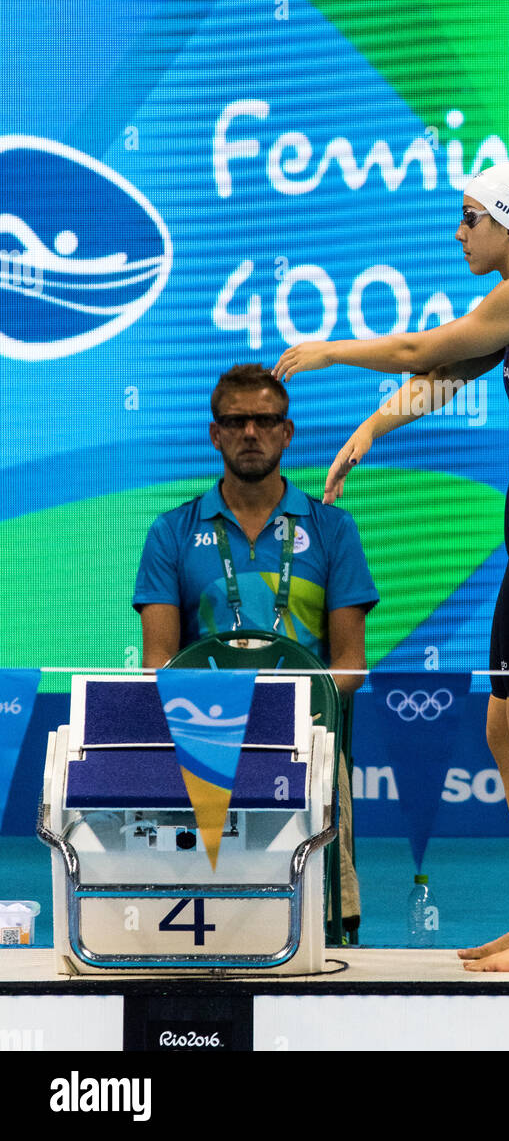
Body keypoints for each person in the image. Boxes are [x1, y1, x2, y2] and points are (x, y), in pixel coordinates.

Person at [273, 159, 509, 973]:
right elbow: (445, 373)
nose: (460, 234)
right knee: (506, 729)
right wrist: (373, 430)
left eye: (470, 219)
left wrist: (328, 351)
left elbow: (422, 346)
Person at [132, 362, 379, 932]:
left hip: (306, 738)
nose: (251, 433)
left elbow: (351, 666)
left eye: (265, 421)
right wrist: (229, 713)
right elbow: (158, 666)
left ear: (287, 432)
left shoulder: (333, 530)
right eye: (236, 421)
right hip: (201, 734)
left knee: (315, 919)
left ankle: (328, 923)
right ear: (215, 433)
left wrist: (275, 710)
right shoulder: (171, 532)